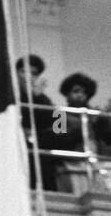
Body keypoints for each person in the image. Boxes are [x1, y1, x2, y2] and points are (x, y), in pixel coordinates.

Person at [17, 55, 58, 191]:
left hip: (39, 156)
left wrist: (38, 97)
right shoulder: (6, 96)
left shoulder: (44, 98)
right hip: (15, 152)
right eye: (24, 71)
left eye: (34, 73)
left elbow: (61, 125)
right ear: (16, 73)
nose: (28, 76)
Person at [54, 72, 111, 160]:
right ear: (67, 93)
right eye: (76, 91)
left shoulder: (95, 113)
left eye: (84, 92)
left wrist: (104, 119)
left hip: (99, 163)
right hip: (71, 164)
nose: (80, 95)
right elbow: (58, 140)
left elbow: (107, 138)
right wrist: (87, 124)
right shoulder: (60, 114)